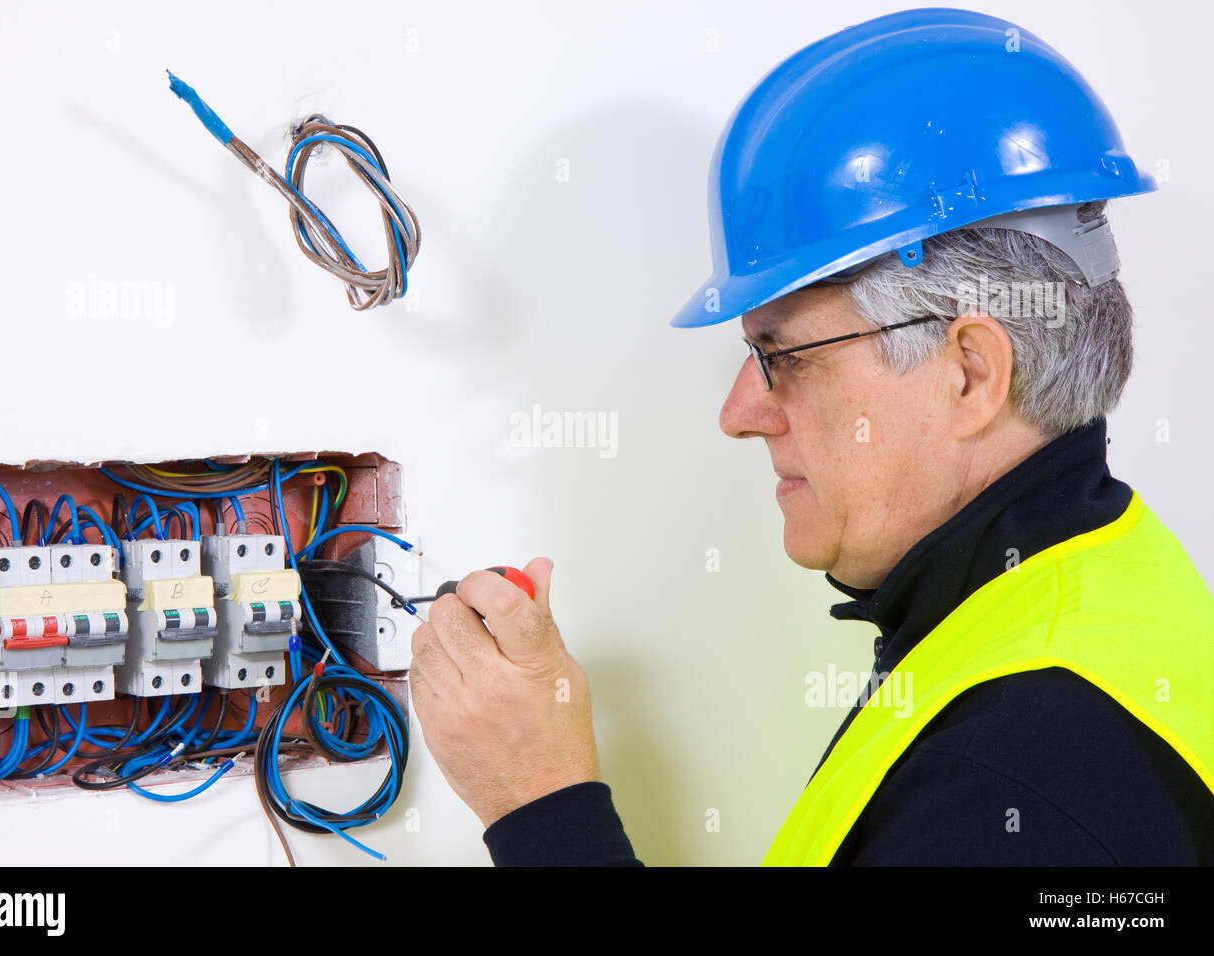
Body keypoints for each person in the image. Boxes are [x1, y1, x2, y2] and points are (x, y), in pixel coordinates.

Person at [407, 8, 1214, 865]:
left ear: (971, 372)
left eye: (782, 354)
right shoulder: (1085, 589)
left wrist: (541, 803)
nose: (738, 413)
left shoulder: (1021, 773)